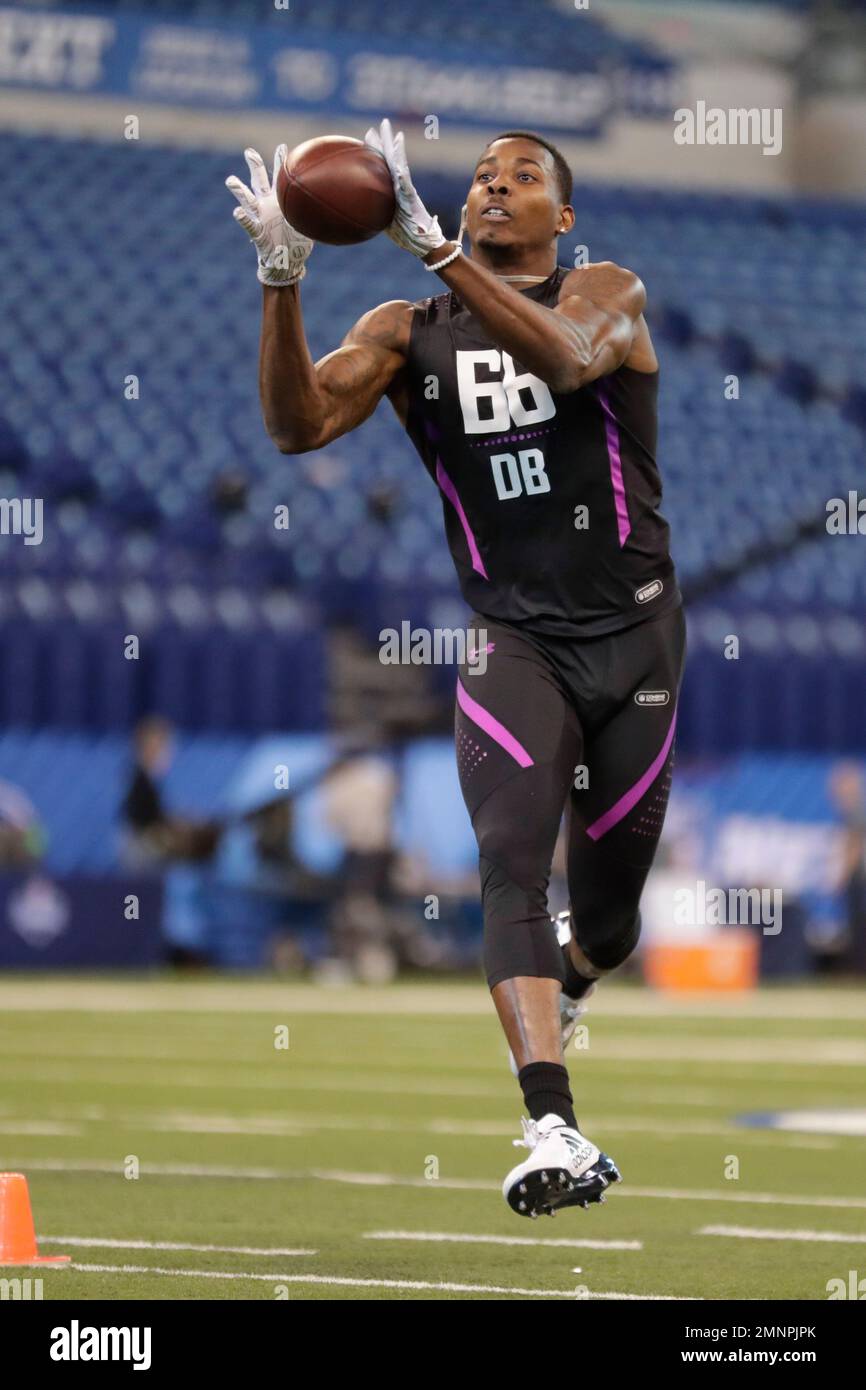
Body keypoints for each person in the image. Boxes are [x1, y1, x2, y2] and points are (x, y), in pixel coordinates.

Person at [226, 120, 687, 1218]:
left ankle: (569, 983)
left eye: (521, 177)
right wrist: (280, 279)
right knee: (508, 857)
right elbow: (297, 426)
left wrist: (435, 251)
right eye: (480, 175)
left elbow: (567, 359)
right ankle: (551, 1124)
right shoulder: (403, 328)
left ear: (561, 218)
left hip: (633, 641)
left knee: (611, 922)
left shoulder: (608, 290)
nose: (493, 186)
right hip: (508, 639)